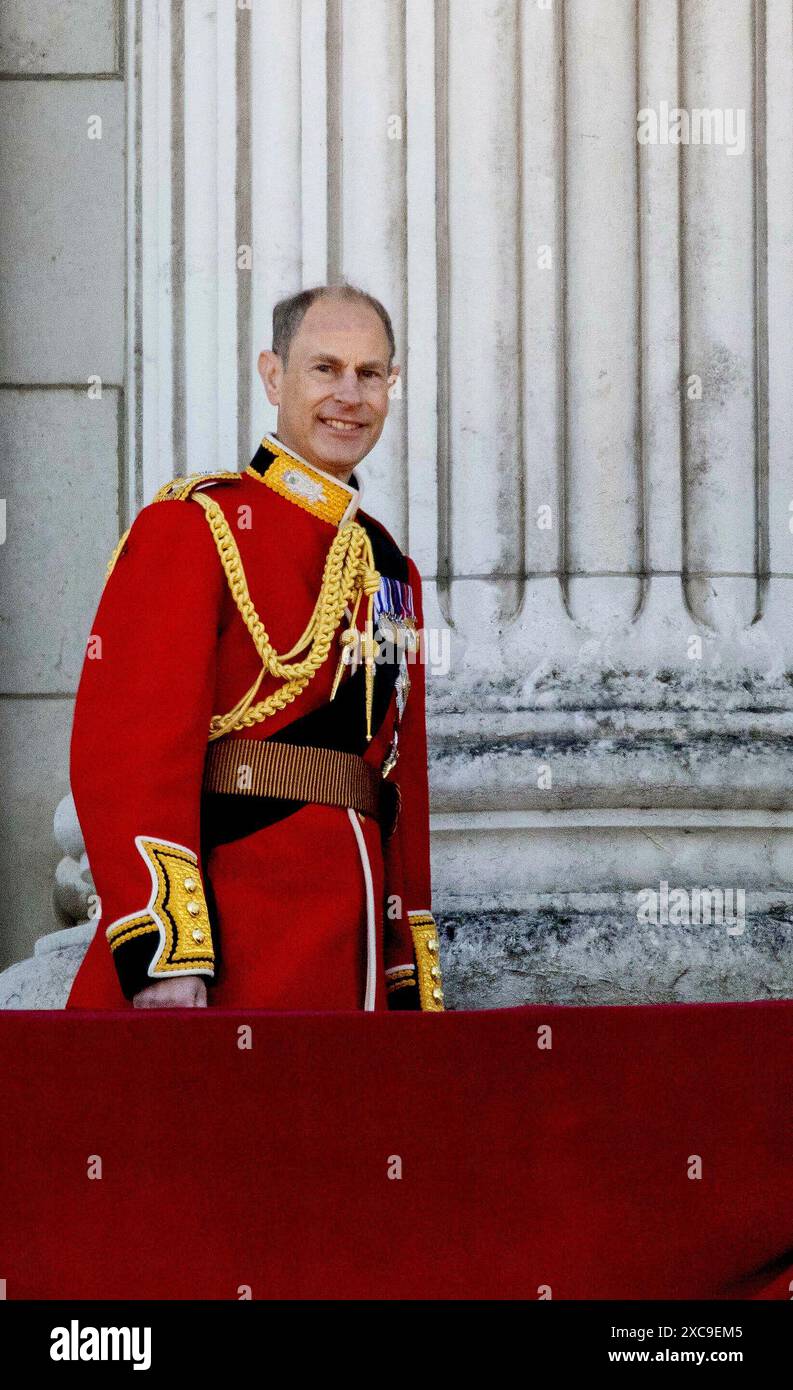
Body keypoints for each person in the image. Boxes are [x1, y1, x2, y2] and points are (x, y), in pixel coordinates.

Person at [65, 284, 445, 1012]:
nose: (349, 395)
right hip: (237, 936)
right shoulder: (193, 525)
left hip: (354, 946)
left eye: (370, 374)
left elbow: (402, 788)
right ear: (273, 376)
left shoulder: (390, 565)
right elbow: (127, 750)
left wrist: (403, 972)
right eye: (324, 369)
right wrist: (166, 951)